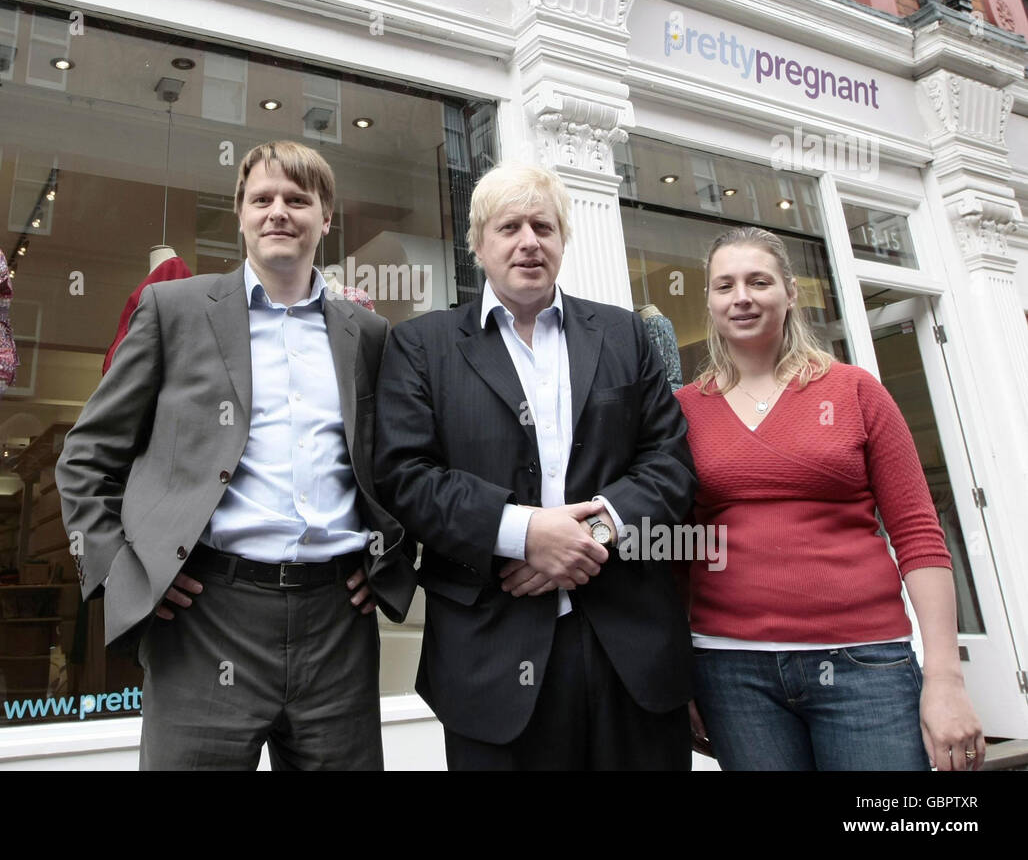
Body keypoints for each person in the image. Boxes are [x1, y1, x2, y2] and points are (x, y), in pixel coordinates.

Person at [56, 140, 415, 770]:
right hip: (204, 617)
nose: (279, 211)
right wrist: (122, 571)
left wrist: (391, 556)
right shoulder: (175, 309)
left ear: (324, 218)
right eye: (263, 199)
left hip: (337, 624)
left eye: (298, 199)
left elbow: (400, 462)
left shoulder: (368, 334)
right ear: (241, 215)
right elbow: (87, 456)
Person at [374, 164, 697, 770]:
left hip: (629, 649)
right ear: (478, 244)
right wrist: (524, 535)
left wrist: (585, 539)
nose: (529, 241)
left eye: (543, 226)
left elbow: (671, 462)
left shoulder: (626, 335)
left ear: (563, 240)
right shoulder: (421, 346)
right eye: (510, 227)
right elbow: (405, 475)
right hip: (491, 656)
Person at [677, 225, 984, 771]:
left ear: (791, 293)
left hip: (865, 664)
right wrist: (681, 673)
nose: (741, 296)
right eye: (724, 285)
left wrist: (944, 679)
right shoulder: (681, 411)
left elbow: (917, 535)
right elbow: (676, 548)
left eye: (758, 281)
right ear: (709, 300)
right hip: (731, 670)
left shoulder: (855, 390)